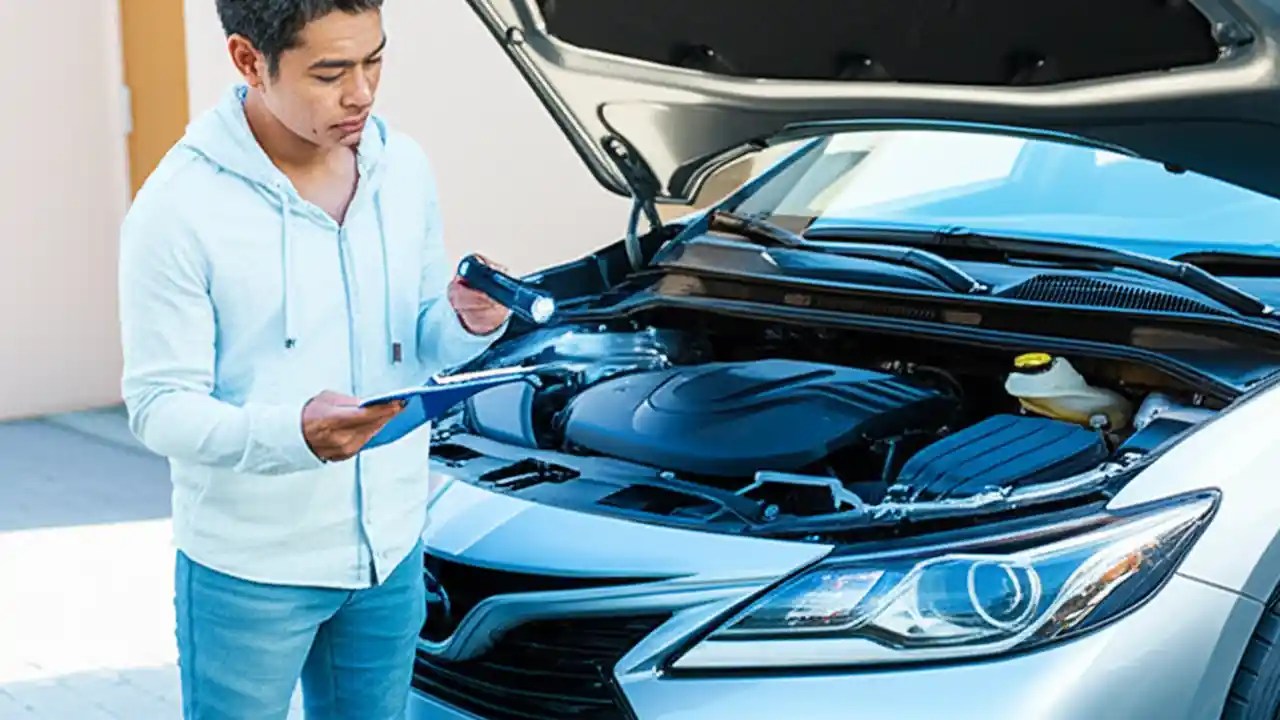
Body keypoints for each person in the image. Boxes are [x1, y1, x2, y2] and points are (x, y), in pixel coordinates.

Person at [116, 1, 512, 717]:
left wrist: (465, 322)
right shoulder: (177, 209)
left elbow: (420, 337)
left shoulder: (405, 167)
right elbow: (157, 407)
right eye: (330, 73)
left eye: (374, 60)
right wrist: (289, 433)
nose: (361, 93)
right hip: (251, 568)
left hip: (390, 549)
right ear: (247, 61)